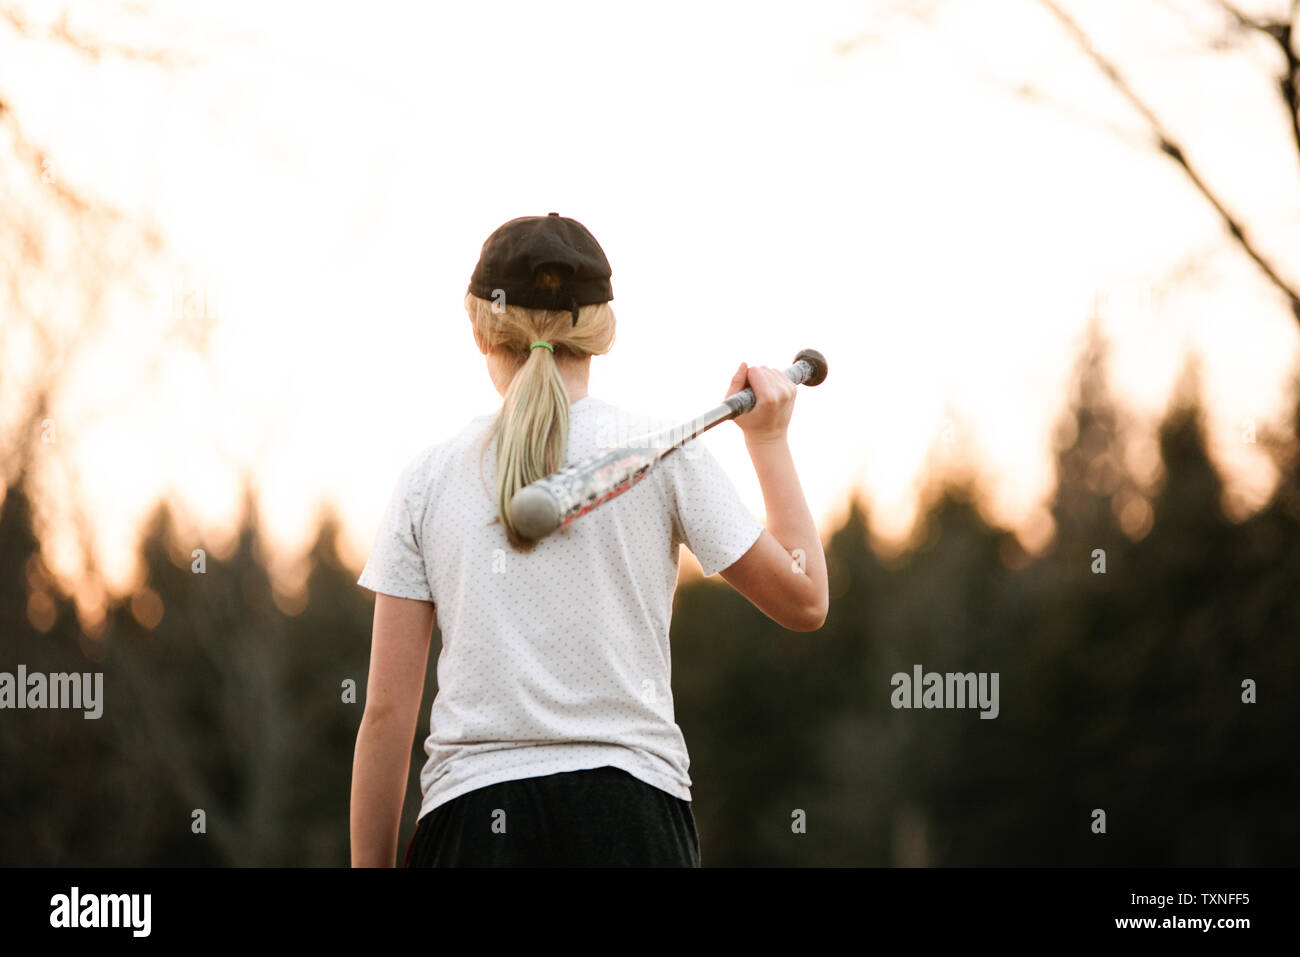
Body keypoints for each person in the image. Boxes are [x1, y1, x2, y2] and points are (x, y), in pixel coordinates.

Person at [350, 212, 828, 867]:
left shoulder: (428, 479)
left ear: (479, 327)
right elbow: (805, 598)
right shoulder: (666, 455)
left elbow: (384, 715)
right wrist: (769, 441)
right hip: (629, 820)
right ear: (603, 331)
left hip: (472, 826)